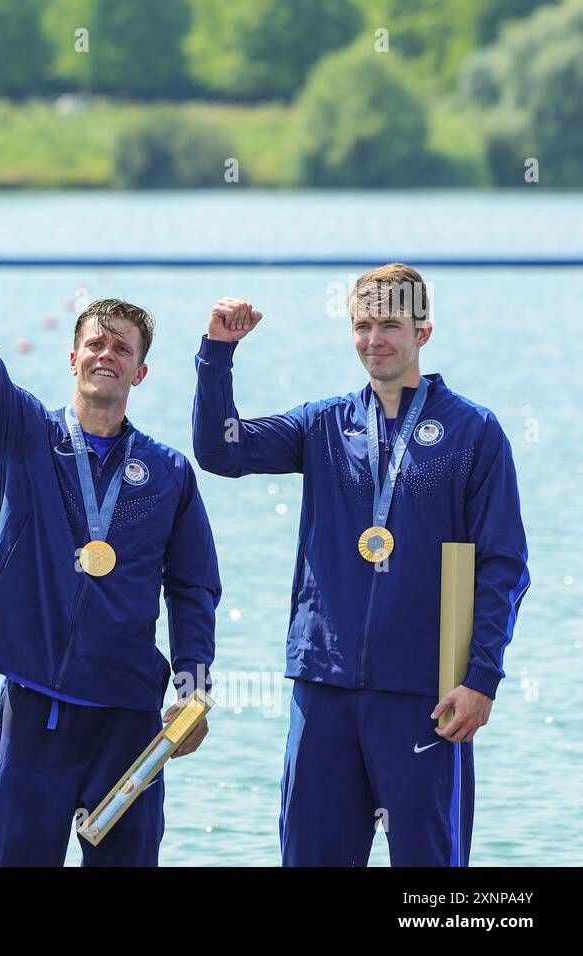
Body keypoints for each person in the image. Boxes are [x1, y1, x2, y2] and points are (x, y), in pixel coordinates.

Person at [0, 205, 220, 866]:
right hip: (34, 711)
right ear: (73, 356)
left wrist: (192, 687)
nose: (107, 354)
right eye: (96, 343)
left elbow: (193, 590)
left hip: (129, 717)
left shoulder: (167, 473)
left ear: (139, 373)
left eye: (122, 349)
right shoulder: (25, 439)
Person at [192, 264, 530, 866]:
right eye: (364, 325)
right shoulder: (324, 424)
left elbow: (502, 566)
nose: (376, 339)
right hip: (324, 689)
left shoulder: (473, 432)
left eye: (391, 325)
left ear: (423, 332)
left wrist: (481, 678)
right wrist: (217, 354)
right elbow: (221, 449)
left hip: (426, 695)